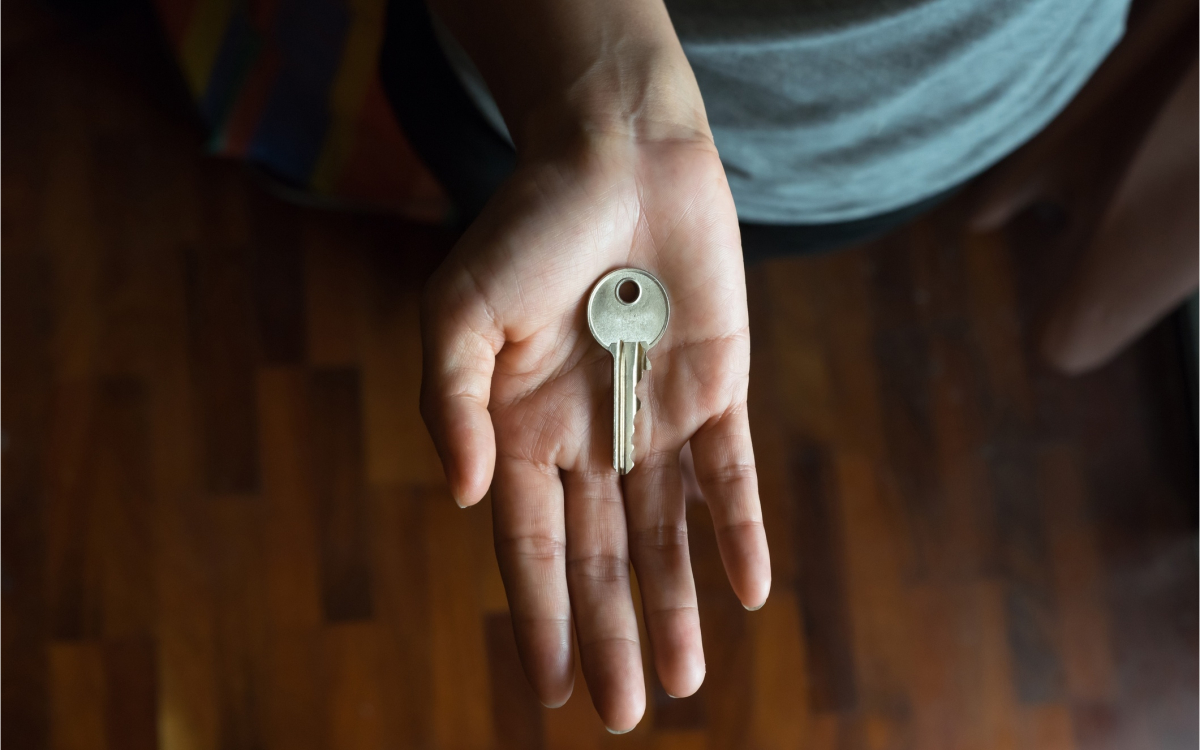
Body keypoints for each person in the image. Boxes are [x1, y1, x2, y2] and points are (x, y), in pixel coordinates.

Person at [378, 0, 1177, 734]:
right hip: (536, 63)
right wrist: (600, 99)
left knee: (740, 252)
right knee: (487, 200)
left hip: (919, 139)